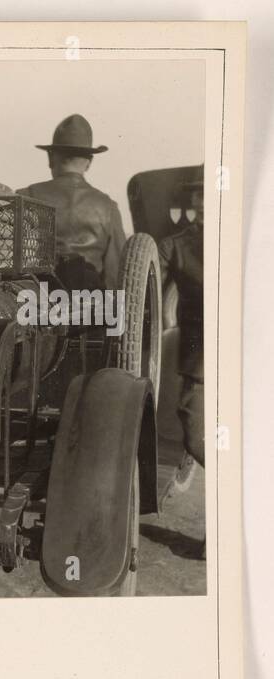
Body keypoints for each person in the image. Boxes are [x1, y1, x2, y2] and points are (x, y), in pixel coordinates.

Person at [20, 115, 126, 290]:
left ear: (50, 158)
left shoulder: (26, 196)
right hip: (91, 307)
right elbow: (116, 274)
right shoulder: (108, 207)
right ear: (89, 163)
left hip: (35, 305)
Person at [159, 176, 205, 474]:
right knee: (196, 433)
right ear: (195, 202)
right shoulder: (173, 246)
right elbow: (145, 294)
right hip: (202, 357)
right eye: (201, 194)